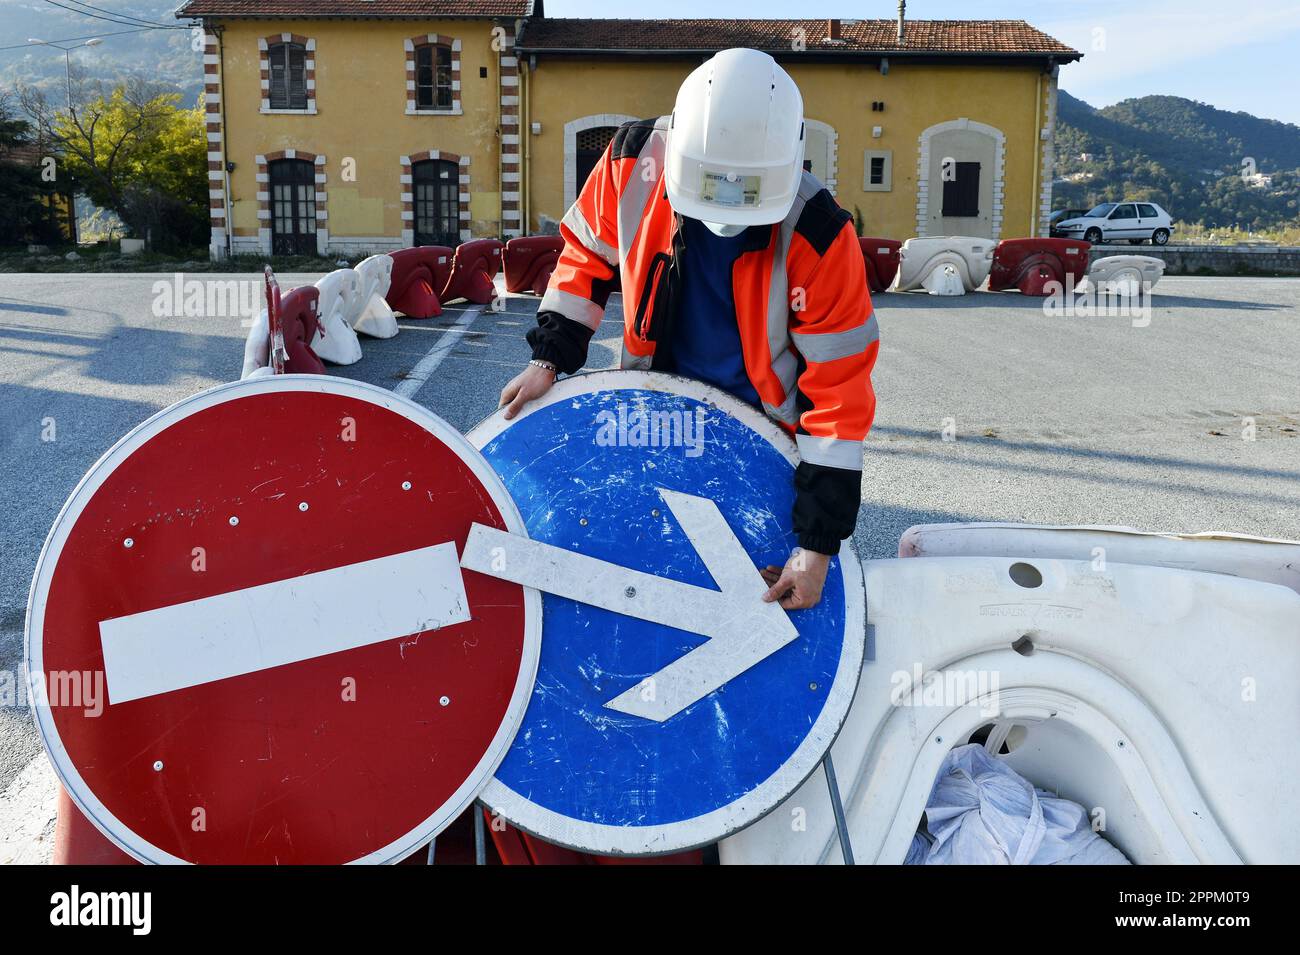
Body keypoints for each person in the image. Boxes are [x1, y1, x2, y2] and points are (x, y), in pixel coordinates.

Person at [499, 48, 878, 610]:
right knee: (649, 567)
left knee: (750, 590)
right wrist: (548, 358)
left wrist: (816, 544)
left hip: (763, 433)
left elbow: (839, 392)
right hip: (652, 411)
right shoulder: (630, 165)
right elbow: (586, 259)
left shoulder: (819, 233)